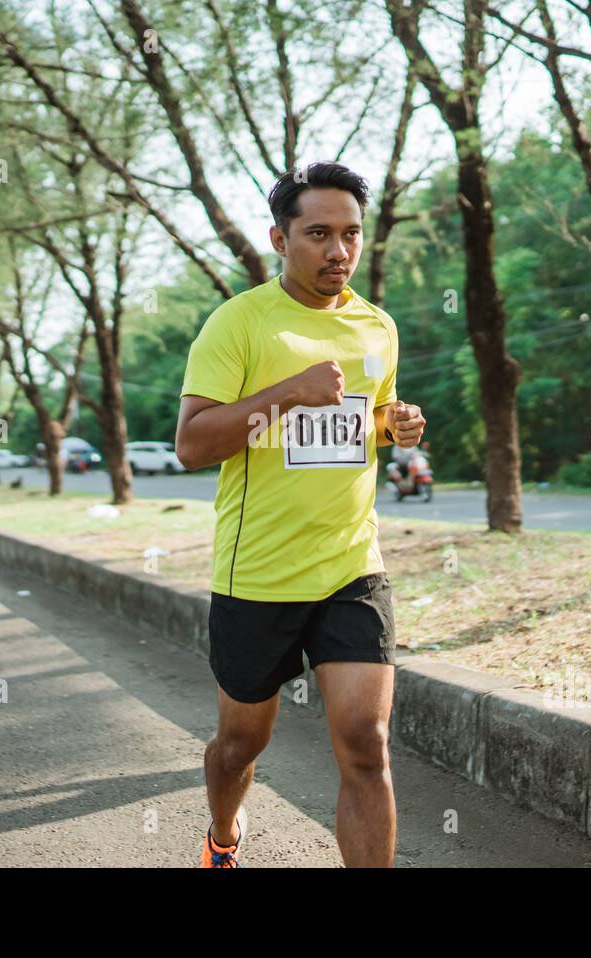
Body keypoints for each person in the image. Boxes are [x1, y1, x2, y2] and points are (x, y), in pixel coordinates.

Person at [176, 161, 426, 868]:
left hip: (350, 566)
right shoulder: (239, 323)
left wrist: (392, 425)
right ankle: (223, 837)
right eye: (318, 233)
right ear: (280, 239)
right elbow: (193, 444)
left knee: (366, 747)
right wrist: (290, 391)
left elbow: (358, 425)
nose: (337, 250)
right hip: (258, 572)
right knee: (239, 746)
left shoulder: (377, 327)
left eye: (349, 234)